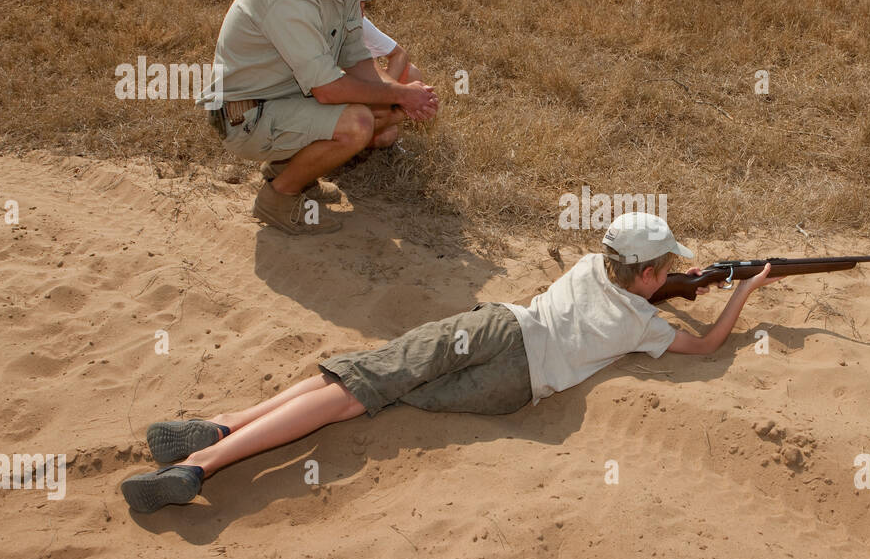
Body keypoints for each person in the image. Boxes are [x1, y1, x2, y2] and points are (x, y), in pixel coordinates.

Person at [119, 213, 782, 513]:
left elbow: (637, 279)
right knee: (366, 385)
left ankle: (204, 459)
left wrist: (683, 279)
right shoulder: (643, 326)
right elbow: (705, 346)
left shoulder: (591, 269)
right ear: (653, 273)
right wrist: (741, 292)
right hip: (512, 389)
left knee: (361, 378)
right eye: (666, 268)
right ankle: (219, 429)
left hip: (498, 331)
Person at [199, 0, 440, 235]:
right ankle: (279, 198)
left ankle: (287, 168)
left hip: (280, 101)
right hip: (242, 117)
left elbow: (358, 62)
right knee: (358, 123)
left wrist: (402, 99)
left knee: (383, 112)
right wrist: (401, 94)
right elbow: (327, 90)